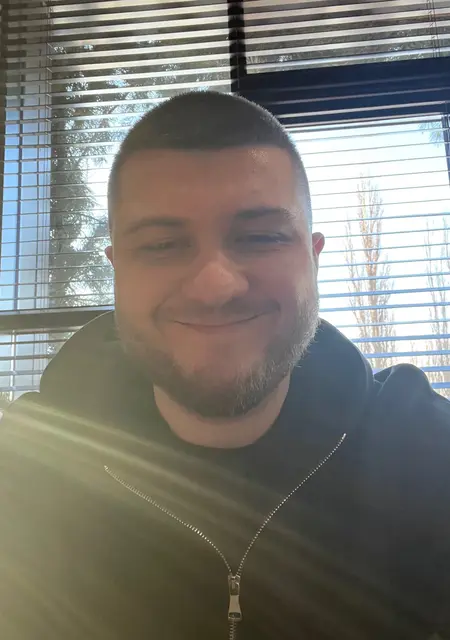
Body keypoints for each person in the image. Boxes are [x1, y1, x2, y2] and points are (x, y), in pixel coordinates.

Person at [1, 91, 449, 640]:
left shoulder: (429, 457)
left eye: (260, 237)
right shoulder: (20, 472)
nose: (215, 285)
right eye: (161, 245)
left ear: (313, 257)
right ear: (117, 270)